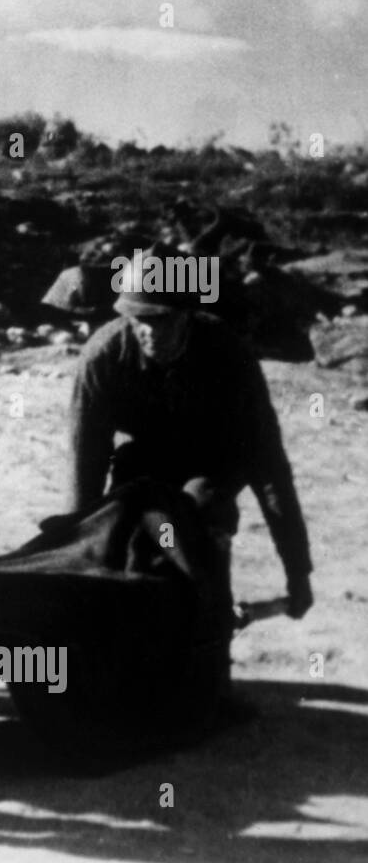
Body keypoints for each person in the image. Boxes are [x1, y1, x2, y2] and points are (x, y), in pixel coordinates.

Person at [69, 269, 314, 627]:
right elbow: (85, 463)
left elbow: (269, 466)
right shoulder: (102, 359)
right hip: (144, 461)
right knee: (125, 525)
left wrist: (297, 570)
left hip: (213, 459)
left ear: (188, 315)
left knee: (201, 515)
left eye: (163, 320)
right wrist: (81, 558)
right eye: (140, 319)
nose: (150, 331)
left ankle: (208, 629)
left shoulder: (229, 354)